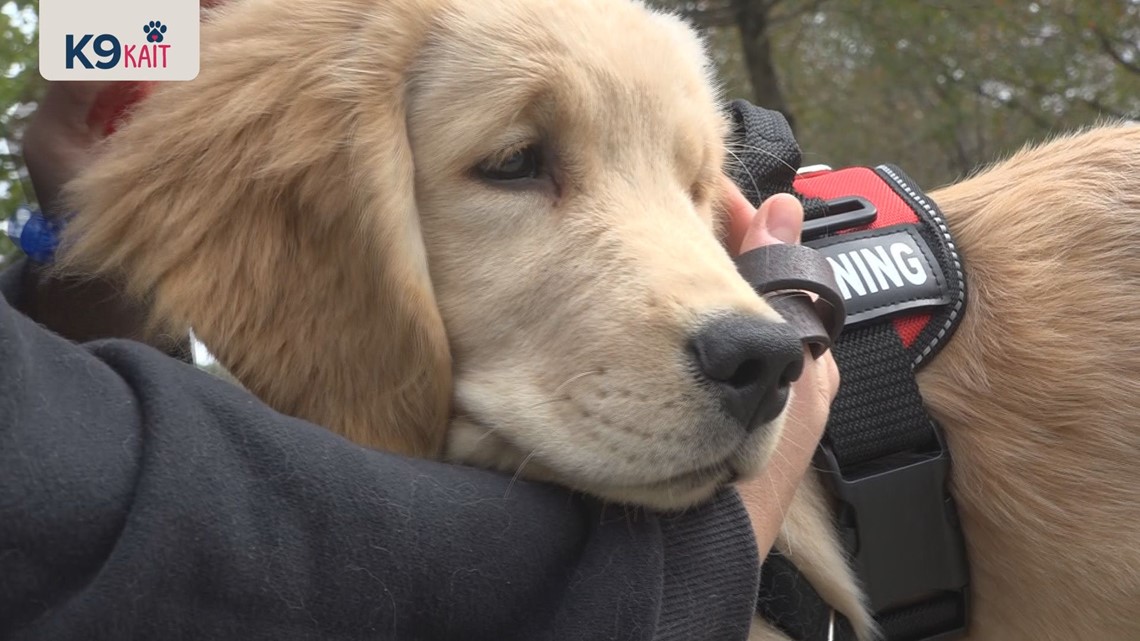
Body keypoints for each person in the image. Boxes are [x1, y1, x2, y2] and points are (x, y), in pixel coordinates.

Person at [0, 80, 839, 641]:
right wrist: (692, 563)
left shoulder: (116, 45)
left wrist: (88, 248)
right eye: (515, 160)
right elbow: (102, 522)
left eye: (693, 185)